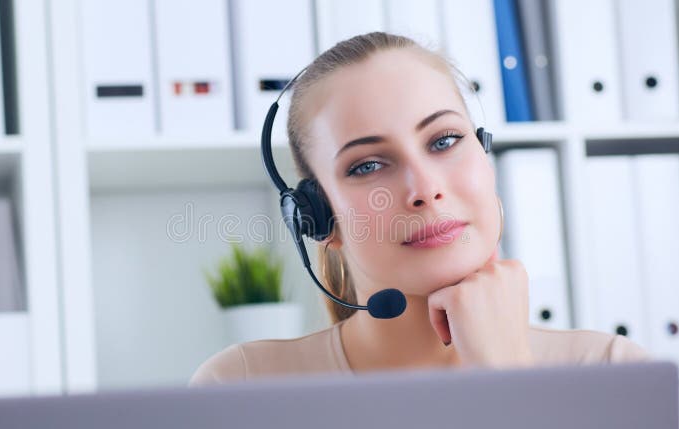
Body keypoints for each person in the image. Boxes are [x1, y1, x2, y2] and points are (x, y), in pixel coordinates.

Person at [189, 32, 648, 387]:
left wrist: (507, 376)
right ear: (317, 216)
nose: (424, 189)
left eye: (444, 141)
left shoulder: (613, 371)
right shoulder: (242, 385)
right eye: (368, 165)